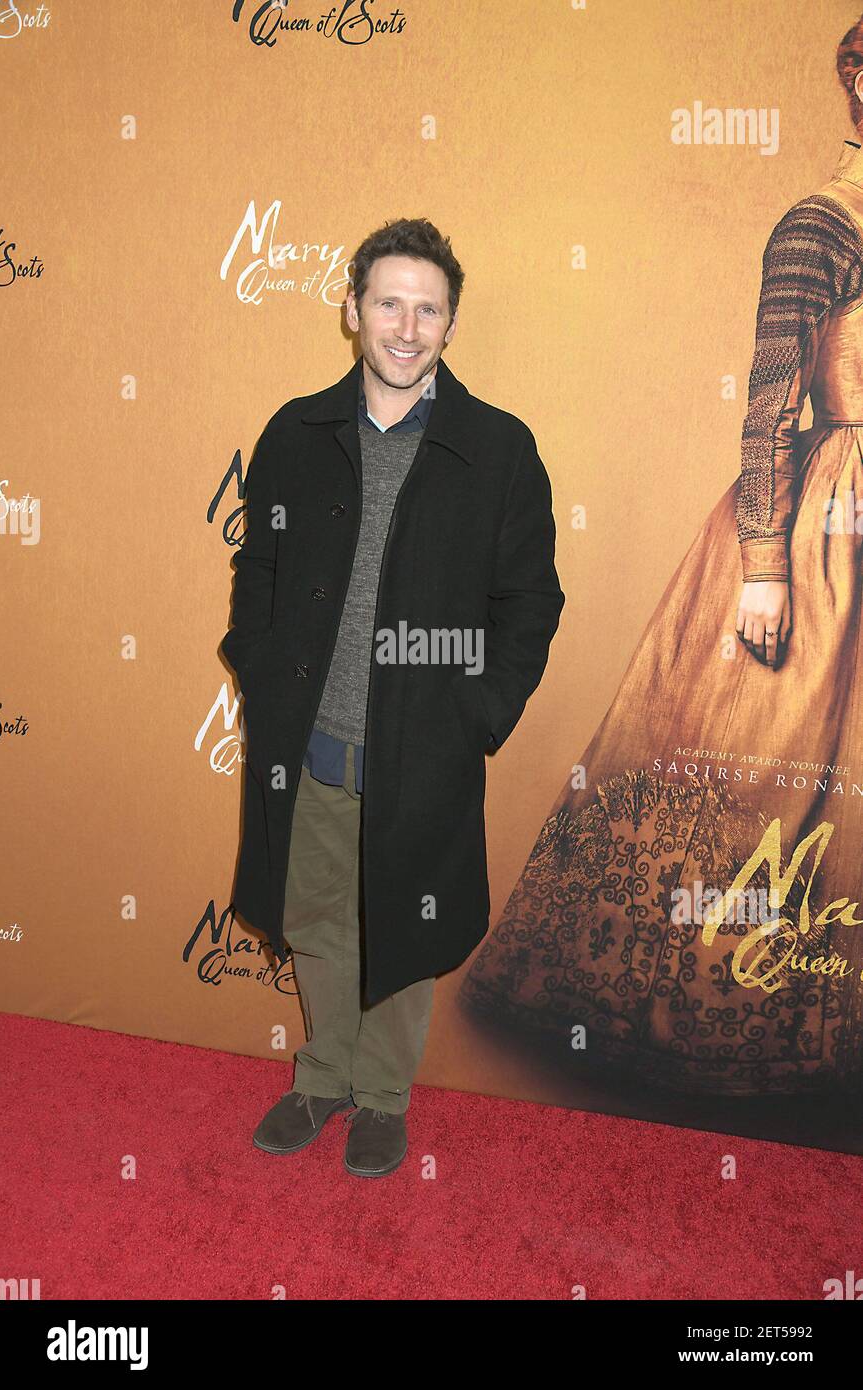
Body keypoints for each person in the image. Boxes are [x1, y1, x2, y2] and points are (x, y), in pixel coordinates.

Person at [459, 19, 863, 1102]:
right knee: (758, 786)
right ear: (855, 79)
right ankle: (701, 1069)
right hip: (819, 543)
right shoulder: (819, 226)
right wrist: (765, 564)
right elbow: (770, 399)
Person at [220, 217, 565, 1176]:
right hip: (313, 740)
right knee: (319, 921)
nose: (406, 328)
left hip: (424, 750)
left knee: (400, 931)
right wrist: (256, 660)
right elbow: (262, 564)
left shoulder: (496, 448)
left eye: (429, 309)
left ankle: (382, 1097)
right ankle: (322, 1078)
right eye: (389, 303)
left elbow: (529, 600)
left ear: (450, 325)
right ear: (352, 310)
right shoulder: (297, 431)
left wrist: (478, 713)